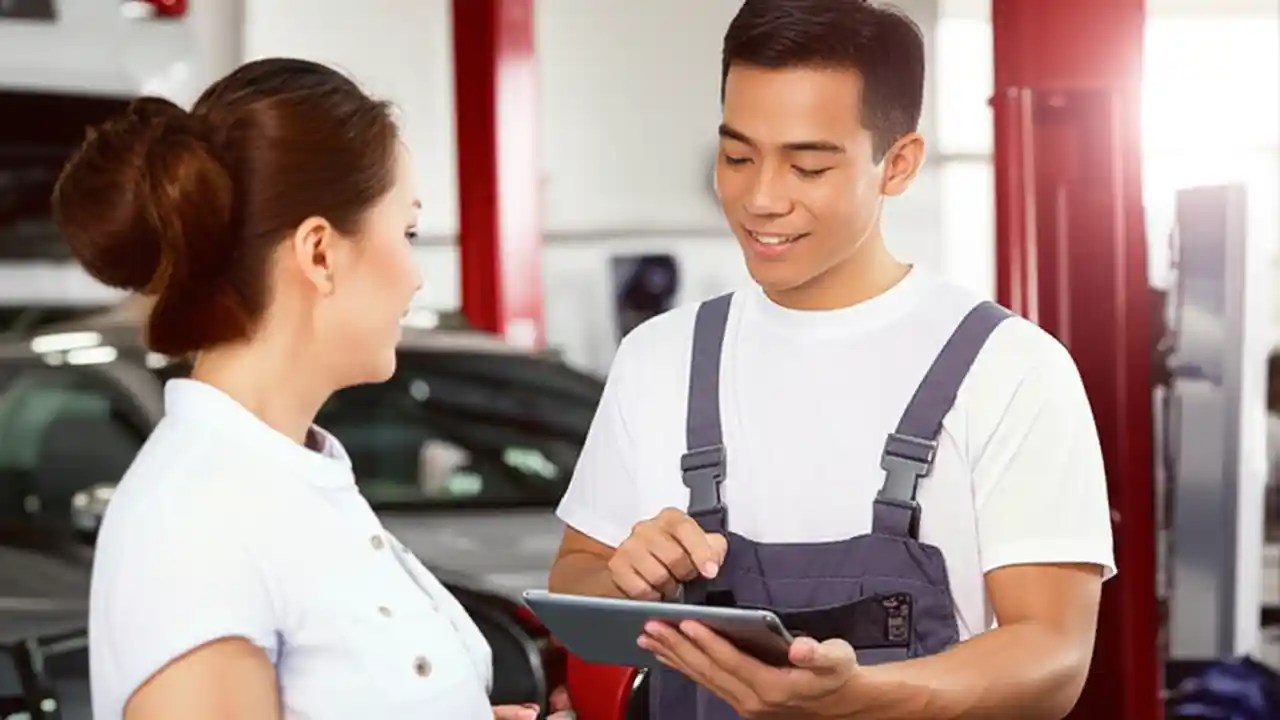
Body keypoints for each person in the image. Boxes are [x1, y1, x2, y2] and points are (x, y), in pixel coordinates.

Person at [548, 1, 1115, 718]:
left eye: (807, 166)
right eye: (737, 157)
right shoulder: (658, 357)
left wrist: (864, 698)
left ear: (898, 164)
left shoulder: (1010, 368)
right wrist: (629, 581)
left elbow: (1054, 654)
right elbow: (574, 577)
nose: (760, 199)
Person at [53, 58, 568, 720]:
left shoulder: (294, 478)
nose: (415, 279)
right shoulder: (199, 519)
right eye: (406, 232)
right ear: (319, 254)